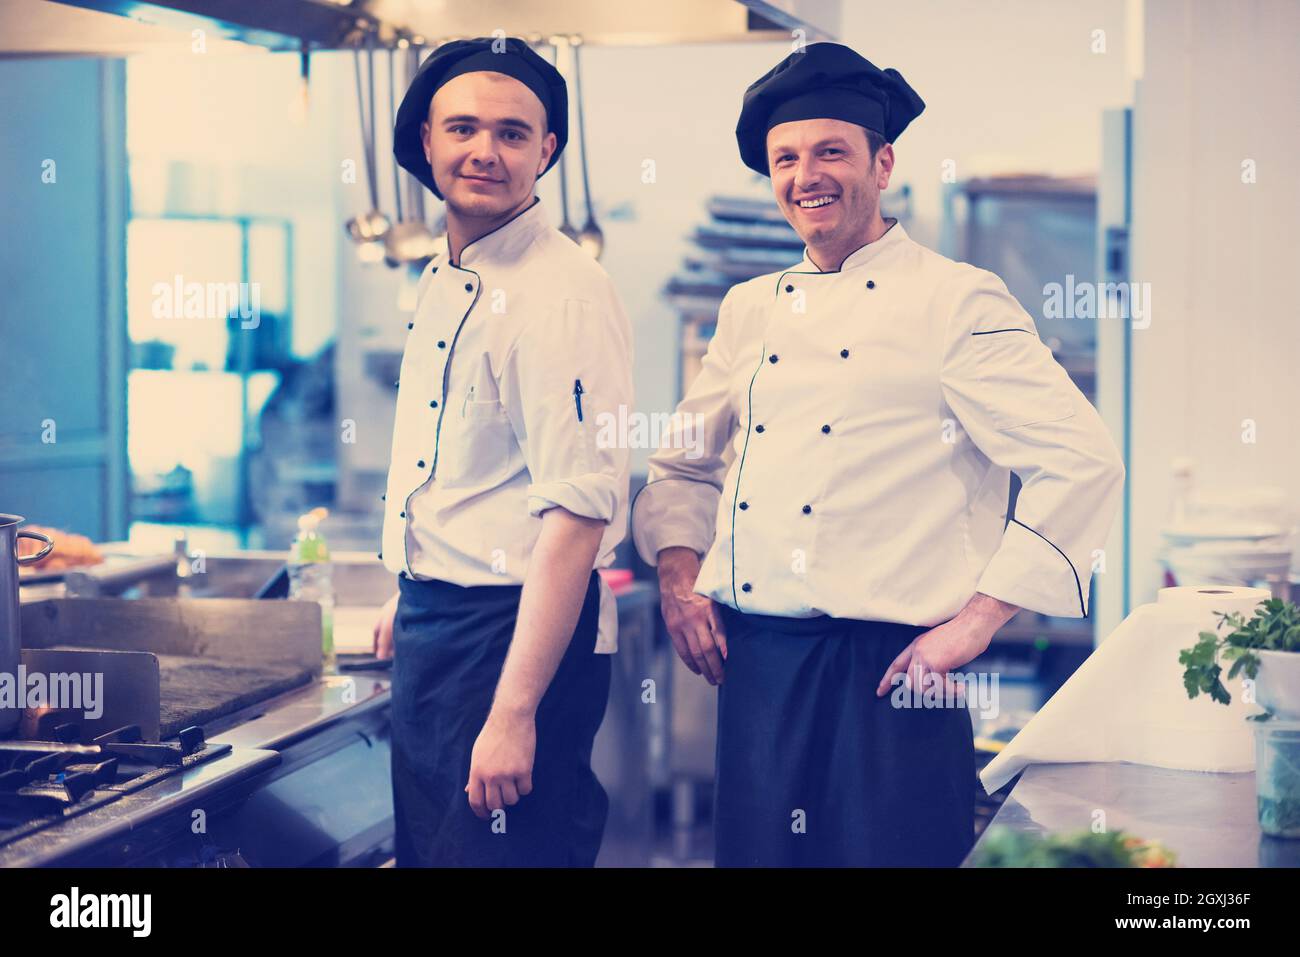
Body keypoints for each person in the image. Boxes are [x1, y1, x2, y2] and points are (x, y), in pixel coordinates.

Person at [631, 42, 1125, 867]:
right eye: (786, 158)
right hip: (758, 668)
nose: (806, 176)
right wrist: (680, 577)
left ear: (882, 160)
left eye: (831, 150)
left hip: (895, 671)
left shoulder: (957, 300)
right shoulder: (750, 308)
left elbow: (1081, 458)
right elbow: (680, 464)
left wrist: (974, 623)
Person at [371, 37, 633, 867]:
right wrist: (413, 573)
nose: (485, 151)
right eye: (464, 128)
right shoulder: (442, 273)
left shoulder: (562, 295)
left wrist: (515, 709)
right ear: (425, 142)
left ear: (546, 151)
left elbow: (576, 515)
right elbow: (455, 461)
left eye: (513, 134)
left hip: (511, 639)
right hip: (437, 627)